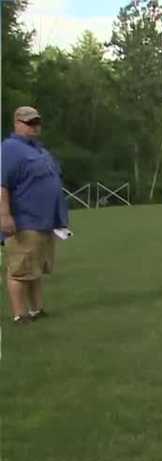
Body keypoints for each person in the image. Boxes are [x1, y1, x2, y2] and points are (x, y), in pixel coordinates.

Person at [1, 106, 69, 325]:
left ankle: (37, 310)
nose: (34, 126)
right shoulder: (10, 149)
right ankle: (20, 315)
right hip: (24, 221)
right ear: (17, 123)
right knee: (19, 270)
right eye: (29, 123)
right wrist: (4, 216)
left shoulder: (39, 150)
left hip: (44, 222)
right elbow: (2, 186)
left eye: (37, 122)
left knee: (35, 269)